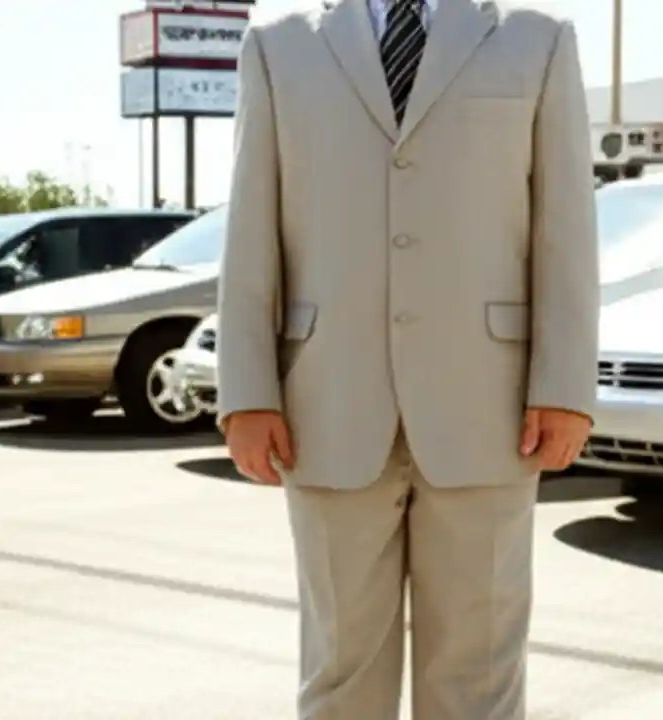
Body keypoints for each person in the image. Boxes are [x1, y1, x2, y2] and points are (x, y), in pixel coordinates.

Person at [217, 0, 598, 717]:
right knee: (340, 675)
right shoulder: (277, 50)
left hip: (490, 410)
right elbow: (249, 231)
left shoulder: (537, 42)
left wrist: (566, 385)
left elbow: (567, 225)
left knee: (478, 677)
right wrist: (247, 392)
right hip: (326, 407)